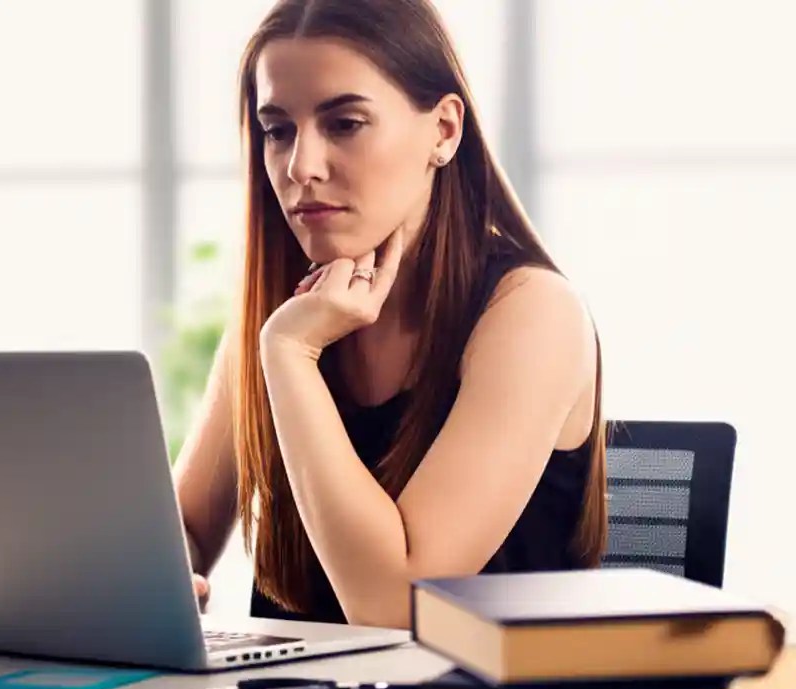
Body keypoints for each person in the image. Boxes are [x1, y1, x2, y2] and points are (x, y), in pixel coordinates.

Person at [174, 0, 607, 629]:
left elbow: (396, 610)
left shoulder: (533, 314)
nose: (300, 167)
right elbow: (184, 525)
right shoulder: (284, 313)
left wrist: (291, 359)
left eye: (344, 123)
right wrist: (147, 575)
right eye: (278, 130)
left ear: (444, 131)